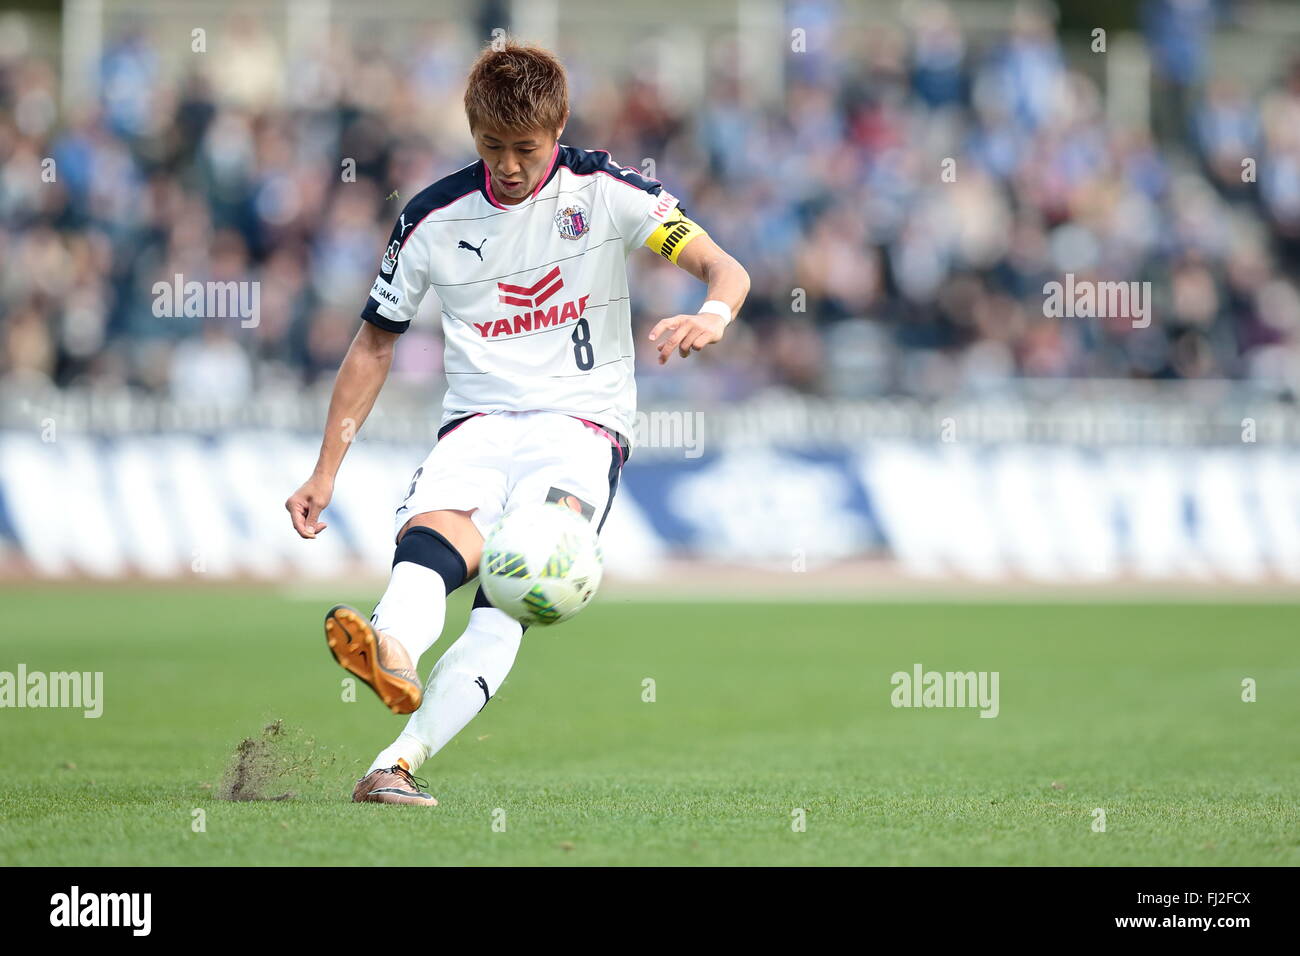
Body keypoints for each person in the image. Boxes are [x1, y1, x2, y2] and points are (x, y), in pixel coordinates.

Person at [285, 39, 750, 805]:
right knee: (431, 541)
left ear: (557, 127)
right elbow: (373, 344)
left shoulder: (606, 191)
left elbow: (724, 267)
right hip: (476, 423)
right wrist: (325, 470)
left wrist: (714, 314)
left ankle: (396, 761)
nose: (507, 164)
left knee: (515, 585)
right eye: (491, 147)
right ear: (471, 131)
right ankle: (390, 651)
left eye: (524, 149)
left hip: (580, 427)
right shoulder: (432, 218)